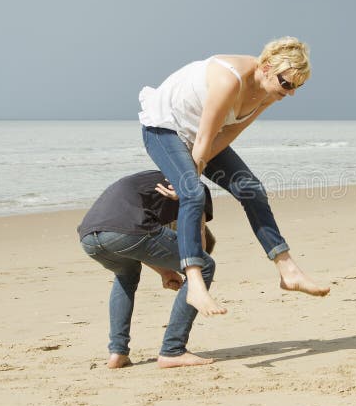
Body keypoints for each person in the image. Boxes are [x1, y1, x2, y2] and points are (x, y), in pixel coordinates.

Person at [138, 36, 330, 316]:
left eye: (297, 87)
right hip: (165, 129)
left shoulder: (268, 90)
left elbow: (229, 132)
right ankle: (194, 284)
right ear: (265, 67)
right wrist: (188, 178)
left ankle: (288, 270)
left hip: (204, 134)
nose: (290, 93)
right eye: (286, 83)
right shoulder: (229, 79)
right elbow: (203, 136)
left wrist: (191, 172)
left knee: (251, 189)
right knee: (192, 192)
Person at [78, 170, 217, 369]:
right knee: (205, 265)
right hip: (127, 230)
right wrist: (194, 276)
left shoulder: (158, 187)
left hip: (89, 236)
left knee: (126, 275)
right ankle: (173, 349)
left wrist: (166, 272)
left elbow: (138, 246)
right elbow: (197, 239)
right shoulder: (195, 186)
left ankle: (117, 352)